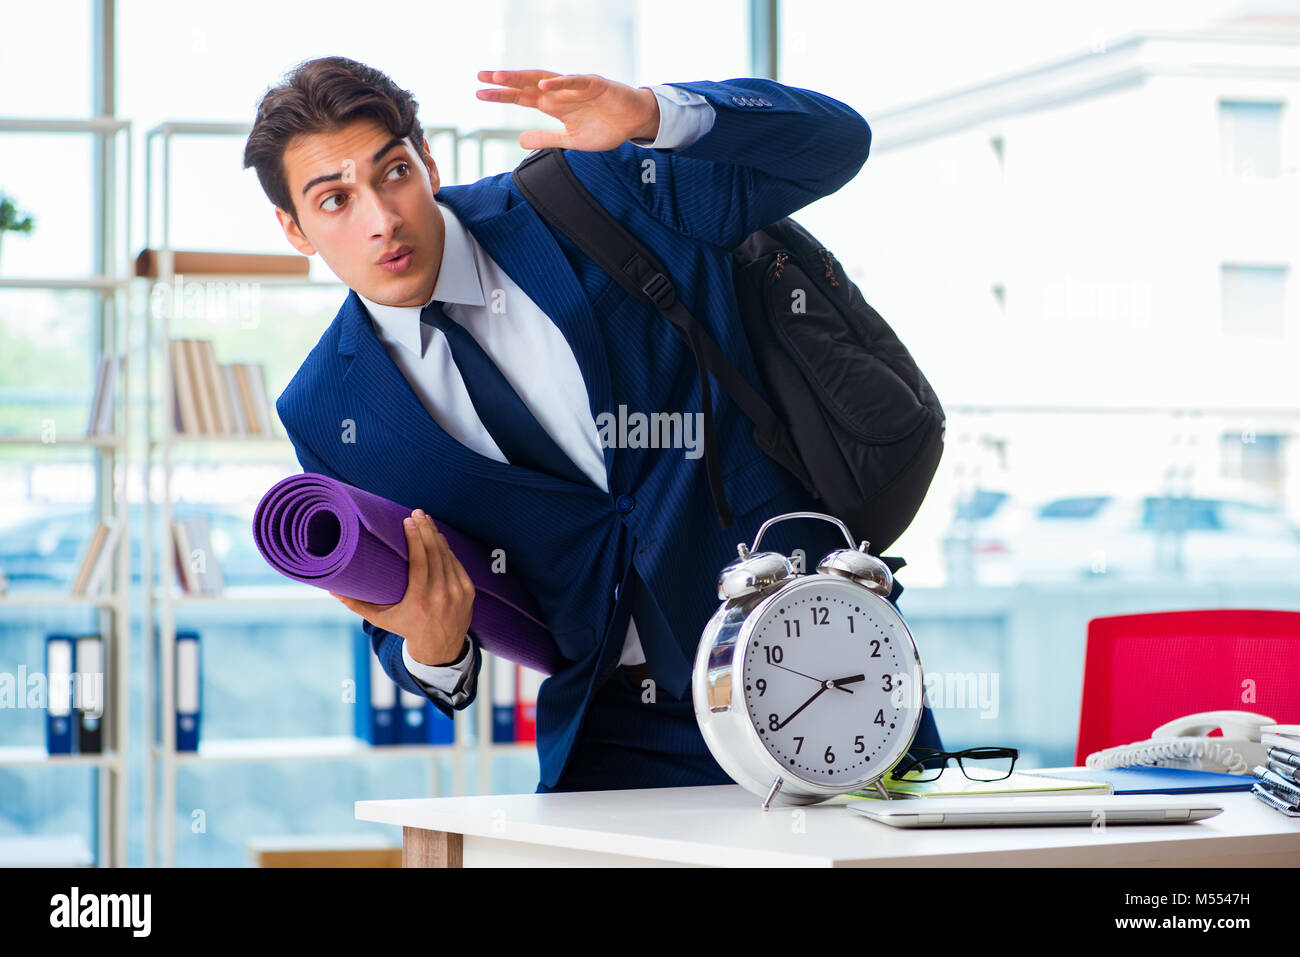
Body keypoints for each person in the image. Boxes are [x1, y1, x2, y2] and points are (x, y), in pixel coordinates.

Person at [245, 56, 943, 793]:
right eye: (334, 201)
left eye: (392, 173)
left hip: (822, 666)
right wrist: (433, 647)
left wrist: (654, 116)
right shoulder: (326, 407)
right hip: (615, 736)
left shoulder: (593, 190)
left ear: (428, 162)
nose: (381, 220)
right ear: (294, 229)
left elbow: (835, 143)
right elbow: (391, 612)